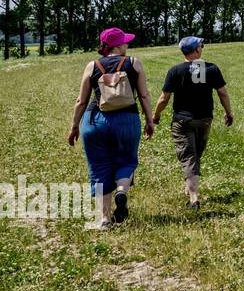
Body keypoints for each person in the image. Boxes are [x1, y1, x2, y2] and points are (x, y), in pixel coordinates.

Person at [68, 27, 154, 228]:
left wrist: (74, 126)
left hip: (95, 120)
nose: (127, 44)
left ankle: (104, 219)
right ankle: (122, 192)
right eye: (124, 41)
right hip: (126, 118)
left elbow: (81, 100)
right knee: (126, 160)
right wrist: (150, 120)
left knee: (99, 168)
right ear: (117, 45)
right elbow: (143, 95)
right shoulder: (134, 63)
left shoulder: (92, 66)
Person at [152, 37, 233, 211]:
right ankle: (191, 191)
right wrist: (228, 112)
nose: (202, 48)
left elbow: (164, 98)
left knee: (190, 157)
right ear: (196, 50)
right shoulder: (211, 69)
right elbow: (222, 93)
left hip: (182, 121)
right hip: (204, 120)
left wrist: (155, 115)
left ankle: (194, 197)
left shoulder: (175, 71)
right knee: (194, 156)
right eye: (201, 46)